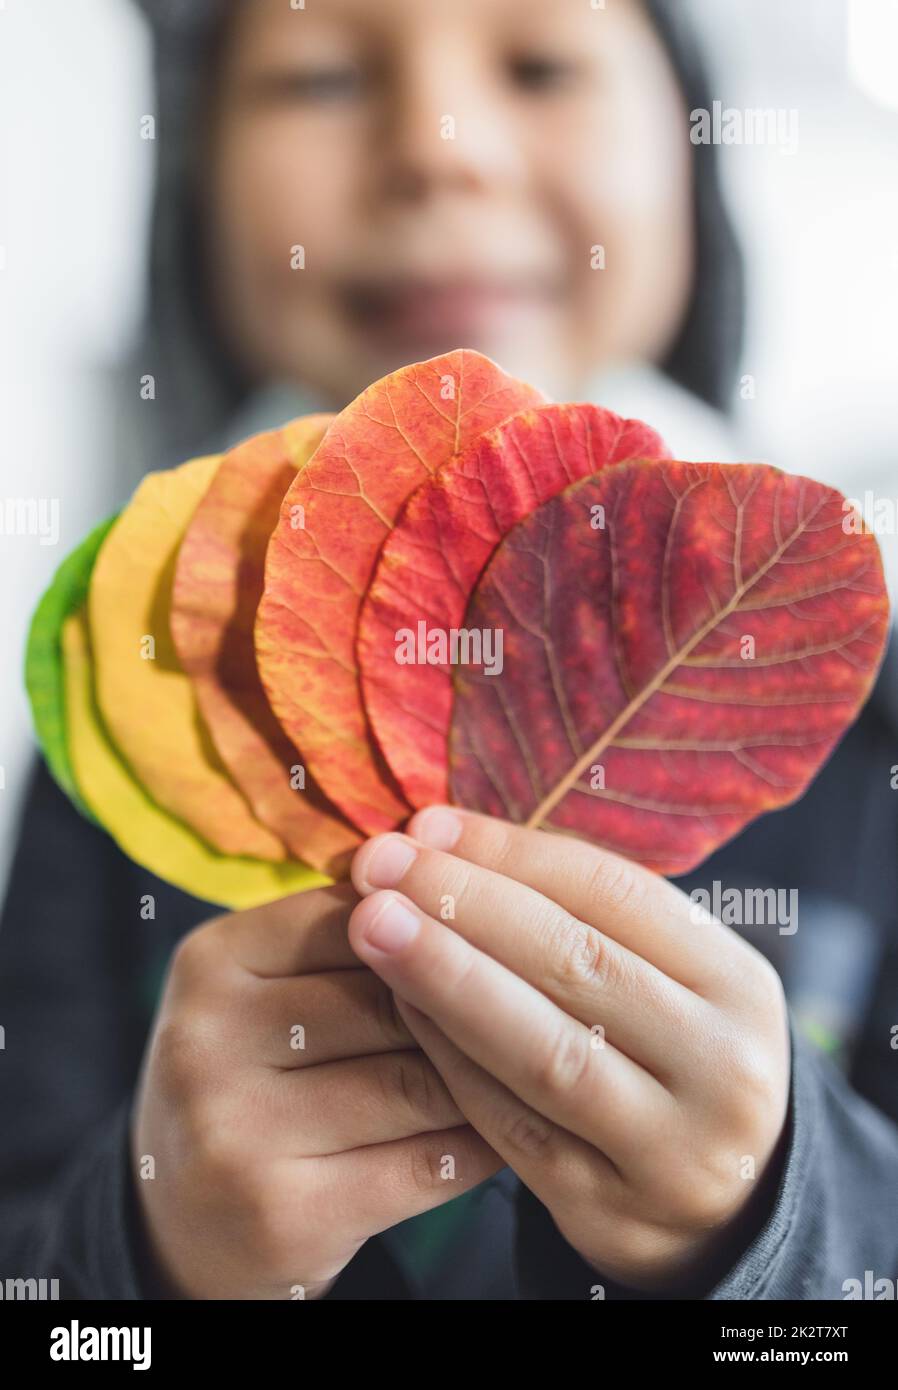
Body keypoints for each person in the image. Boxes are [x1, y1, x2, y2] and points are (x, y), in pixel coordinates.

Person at [0, 0, 895, 1301]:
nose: (440, 144)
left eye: (539, 65)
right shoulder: (130, 728)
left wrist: (770, 1213)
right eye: (313, 80)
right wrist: (159, 1250)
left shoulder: (869, 735)